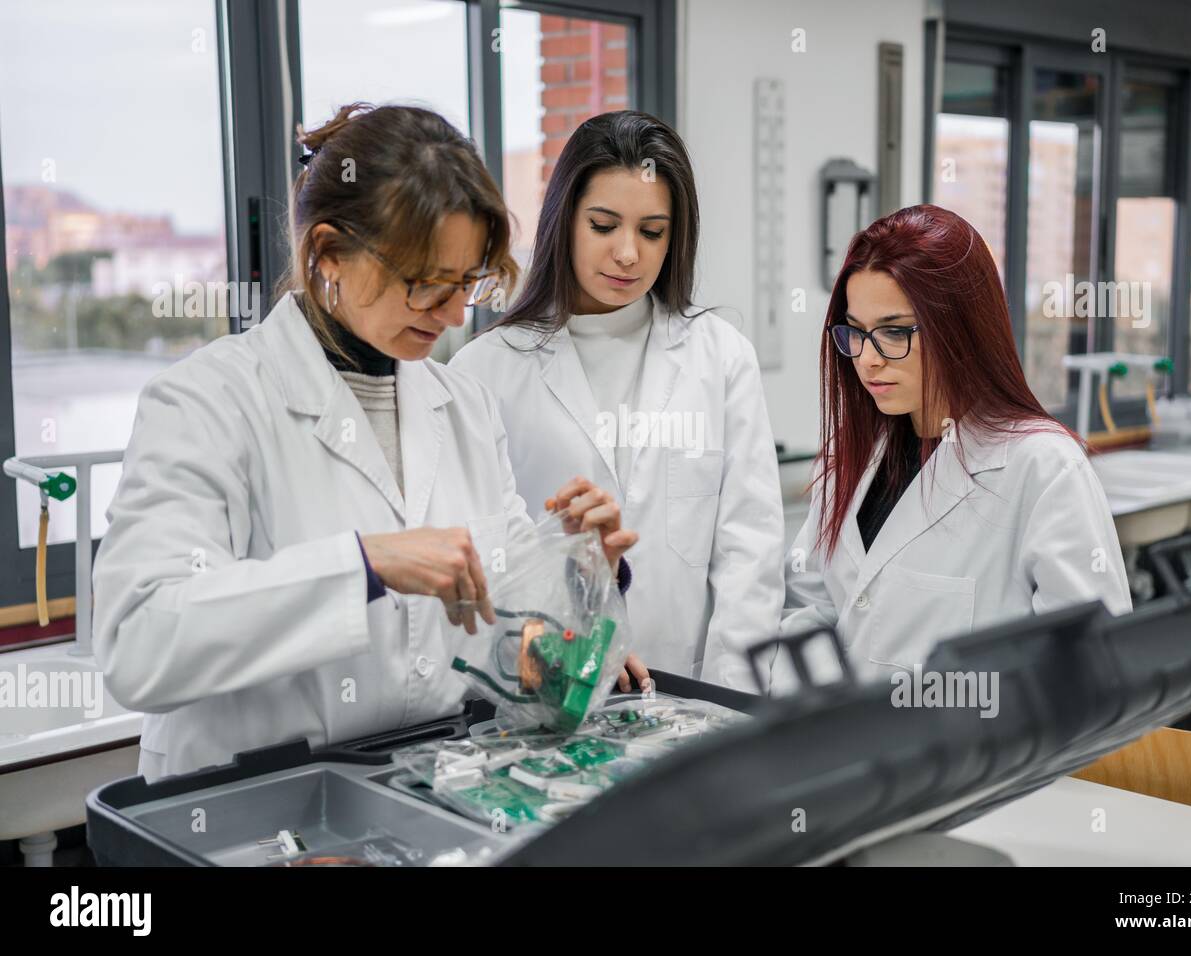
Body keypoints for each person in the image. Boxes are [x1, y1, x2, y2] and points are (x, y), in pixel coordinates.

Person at [92, 103, 642, 780]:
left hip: (422, 791)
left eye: (466, 283)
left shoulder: (463, 405)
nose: (449, 314)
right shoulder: (208, 401)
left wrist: (581, 573)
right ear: (328, 253)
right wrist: (362, 567)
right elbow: (138, 644)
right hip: (254, 813)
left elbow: (507, 645)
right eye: (424, 284)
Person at [451, 111, 784, 689]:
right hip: (546, 697)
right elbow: (484, 563)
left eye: (652, 231)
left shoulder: (721, 356)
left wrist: (732, 706)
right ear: (563, 222)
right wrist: (539, 675)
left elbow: (749, 553)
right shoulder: (485, 370)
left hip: (695, 698)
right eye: (604, 225)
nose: (628, 253)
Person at [777, 204, 1131, 690]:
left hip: (979, 759)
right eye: (855, 333)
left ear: (959, 328)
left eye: (895, 332)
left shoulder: (1042, 467)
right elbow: (810, 604)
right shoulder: (853, 457)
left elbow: (1090, 661)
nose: (867, 360)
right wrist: (823, 708)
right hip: (847, 751)